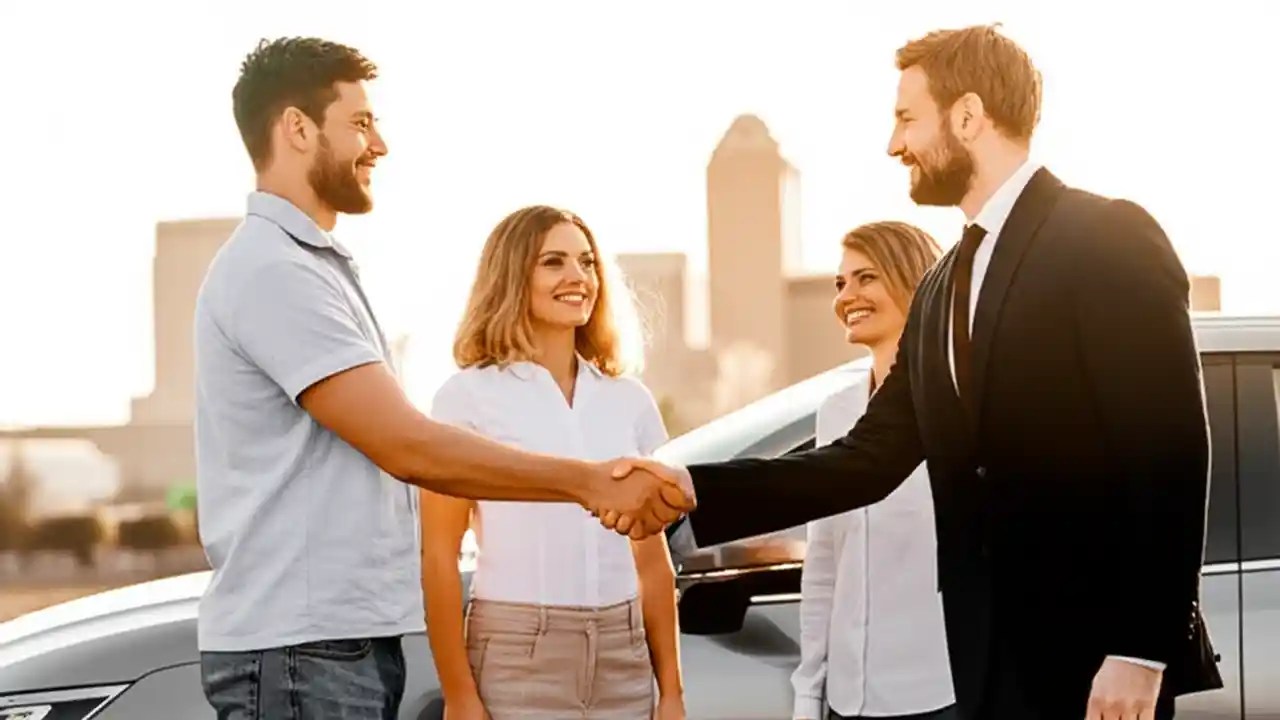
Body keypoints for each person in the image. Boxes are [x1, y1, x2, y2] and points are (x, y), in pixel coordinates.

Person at [608, 24, 1222, 720]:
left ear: (967, 116)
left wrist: (1142, 650)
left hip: (1100, 669)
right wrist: (693, 487)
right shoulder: (938, 289)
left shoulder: (1107, 235)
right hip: (984, 667)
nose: (894, 144)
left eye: (906, 118)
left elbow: (1169, 451)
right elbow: (866, 459)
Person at [195, 38, 690, 720]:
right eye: (360, 123)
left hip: (332, 646)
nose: (381, 145)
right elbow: (409, 448)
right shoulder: (275, 272)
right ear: (297, 129)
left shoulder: (313, 268)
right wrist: (584, 480)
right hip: (301, 653)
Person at [420, 205, 685, 720]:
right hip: (518, 654)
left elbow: (652, 561)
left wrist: (670, 690)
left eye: (587, 263)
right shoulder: (466, 398)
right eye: (554, 262)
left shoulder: (629, 400)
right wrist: (459, 695)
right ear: (512, 275)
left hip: (623, 656)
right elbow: (438, 556)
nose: (577, 277)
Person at [791, 221, 954, 720]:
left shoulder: (961, 406)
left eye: (866, 278)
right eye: (841, 283)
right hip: (848, 699)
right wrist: (809, 692)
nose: (847, 296)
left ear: (913, 280)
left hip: (940, 694)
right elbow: (823, 564)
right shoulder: (836, 412)